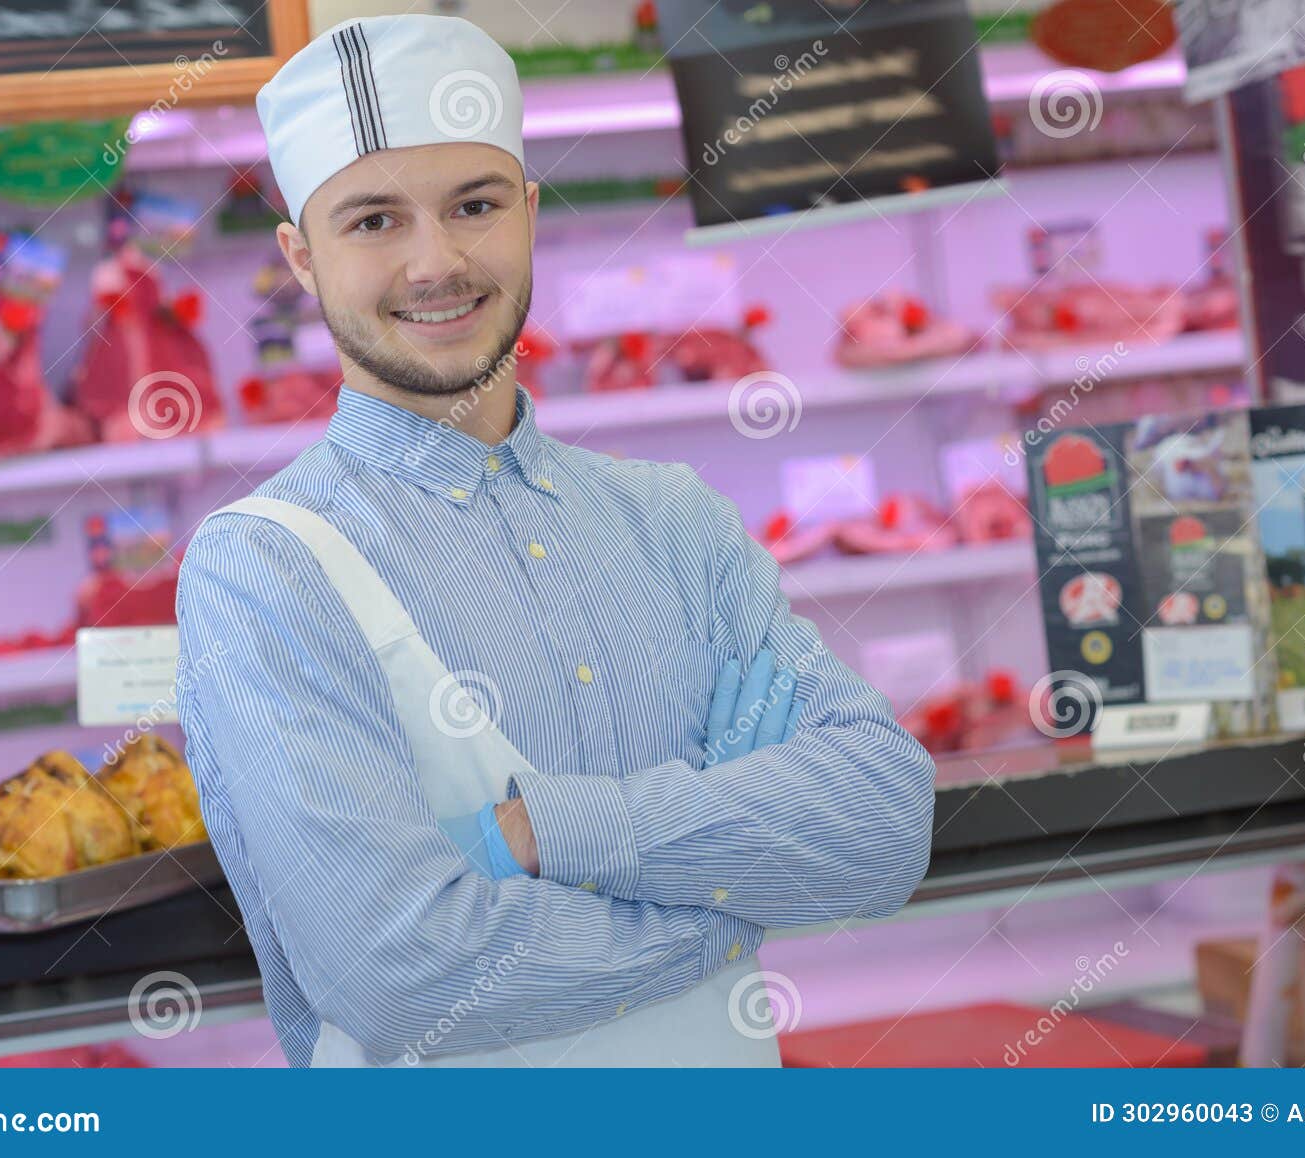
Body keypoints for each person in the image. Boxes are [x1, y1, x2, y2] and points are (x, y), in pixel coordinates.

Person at [175, 12, 935, 1068]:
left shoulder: (674, 519)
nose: (435, 262)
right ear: (301, 260)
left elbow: (881, 827)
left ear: (527, 214)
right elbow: (408, 971)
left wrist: (545, 835)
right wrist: (734, 898)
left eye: (474, 206)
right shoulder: (263, 568)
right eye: (373, 223)